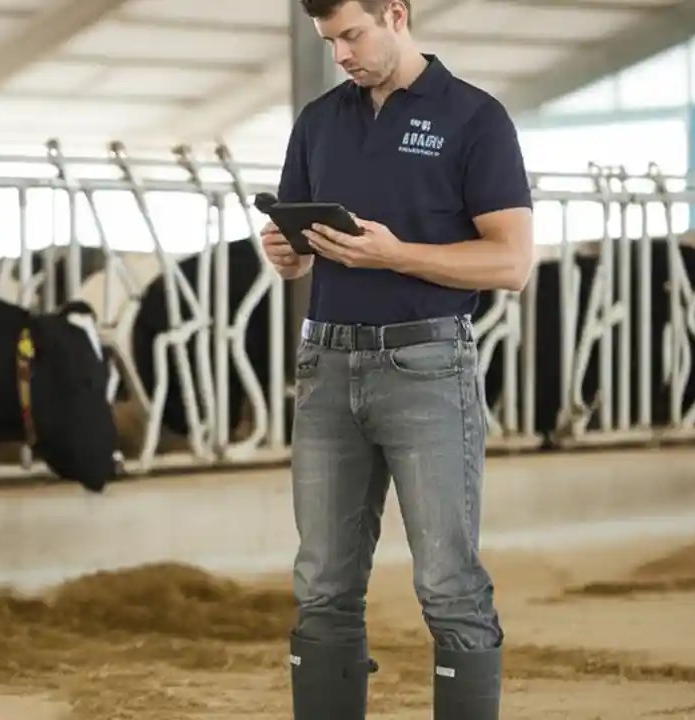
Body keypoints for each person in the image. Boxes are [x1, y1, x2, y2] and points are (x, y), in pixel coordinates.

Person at [261, 1, 535, 718]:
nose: (342, 54)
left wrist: (396, 254)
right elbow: (296, 258)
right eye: (329, 42)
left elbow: (510, 262)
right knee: (321, 580)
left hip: (427, 366)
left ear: (397, 14)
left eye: (352, 35)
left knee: (447, 579)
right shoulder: (319, 121)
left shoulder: (474, 118)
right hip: (326, 362)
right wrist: (284, 251)